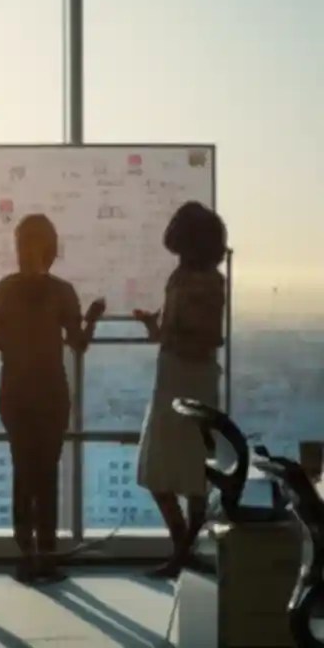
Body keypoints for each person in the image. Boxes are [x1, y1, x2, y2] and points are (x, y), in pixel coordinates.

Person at [0, 214, 104, 583]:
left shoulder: (5, 288)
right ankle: (46, 553)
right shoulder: (62, 292)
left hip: (16, 390)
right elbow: (79, 344)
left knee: (24, 471)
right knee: (46, 473)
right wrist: (93, 320)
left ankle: (26, 551)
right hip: (50, 392)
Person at [134, 201, 227, 579]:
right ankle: (183, 548)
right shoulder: (183, 276)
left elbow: (207, 337)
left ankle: (183, 549)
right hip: (175, 374)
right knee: (169, 467)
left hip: (188, 375)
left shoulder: (205, 281)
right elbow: (177, 334)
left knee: (186, 469)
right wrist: (156, 330)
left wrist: (171, 333)